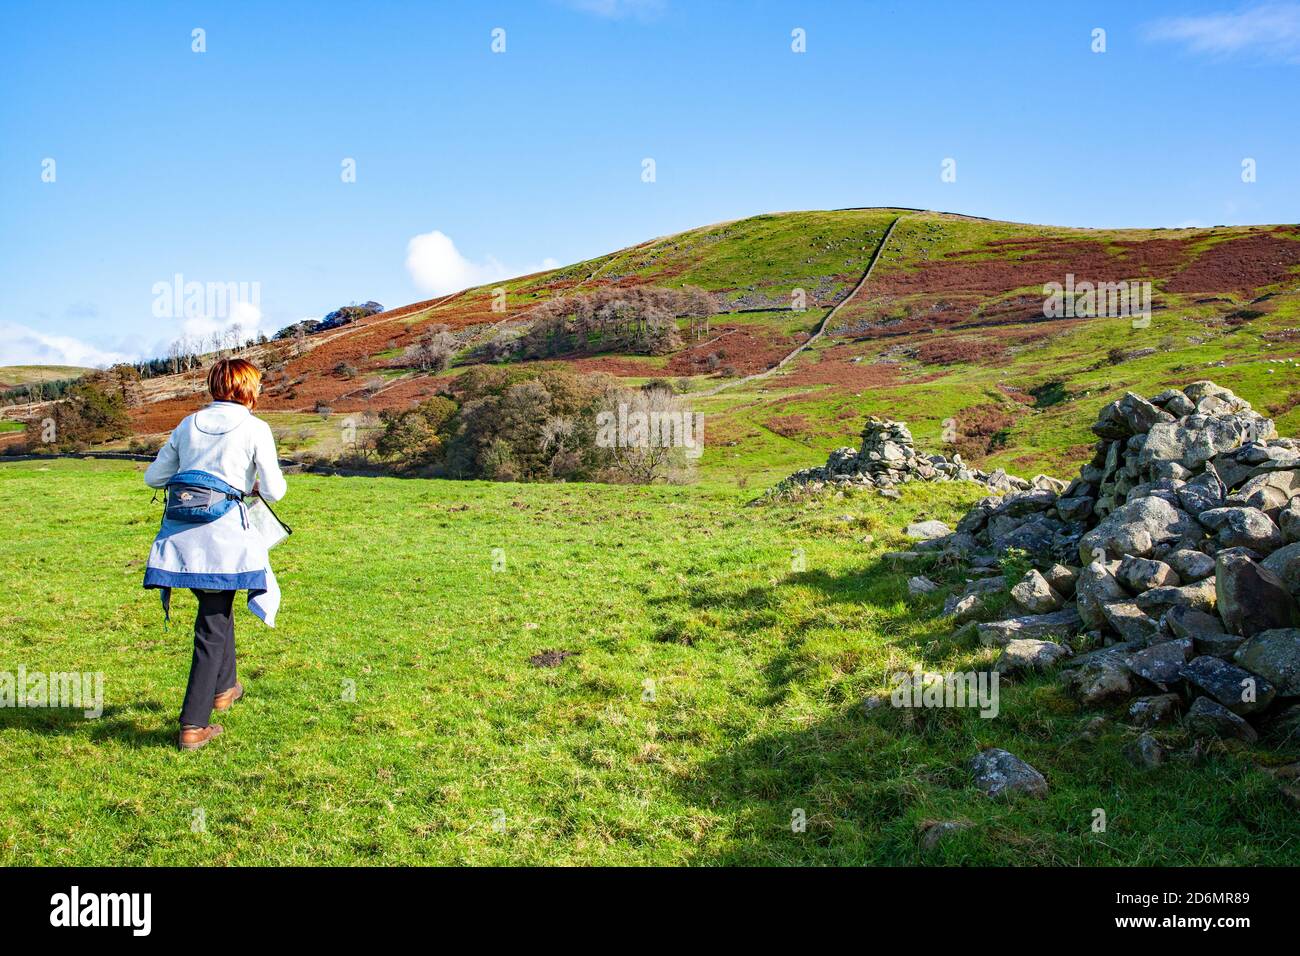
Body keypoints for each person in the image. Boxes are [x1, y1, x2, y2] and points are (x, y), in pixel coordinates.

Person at [143, 358, 287, 750]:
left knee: (216, 611)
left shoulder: (187, 425)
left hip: (179, 542)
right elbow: (275, 491)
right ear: (248, 389)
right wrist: (247, 481)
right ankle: (193, 724)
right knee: (212, 626)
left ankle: (225, 688)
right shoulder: (256, 428)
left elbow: (154, 477)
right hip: (224, 541)